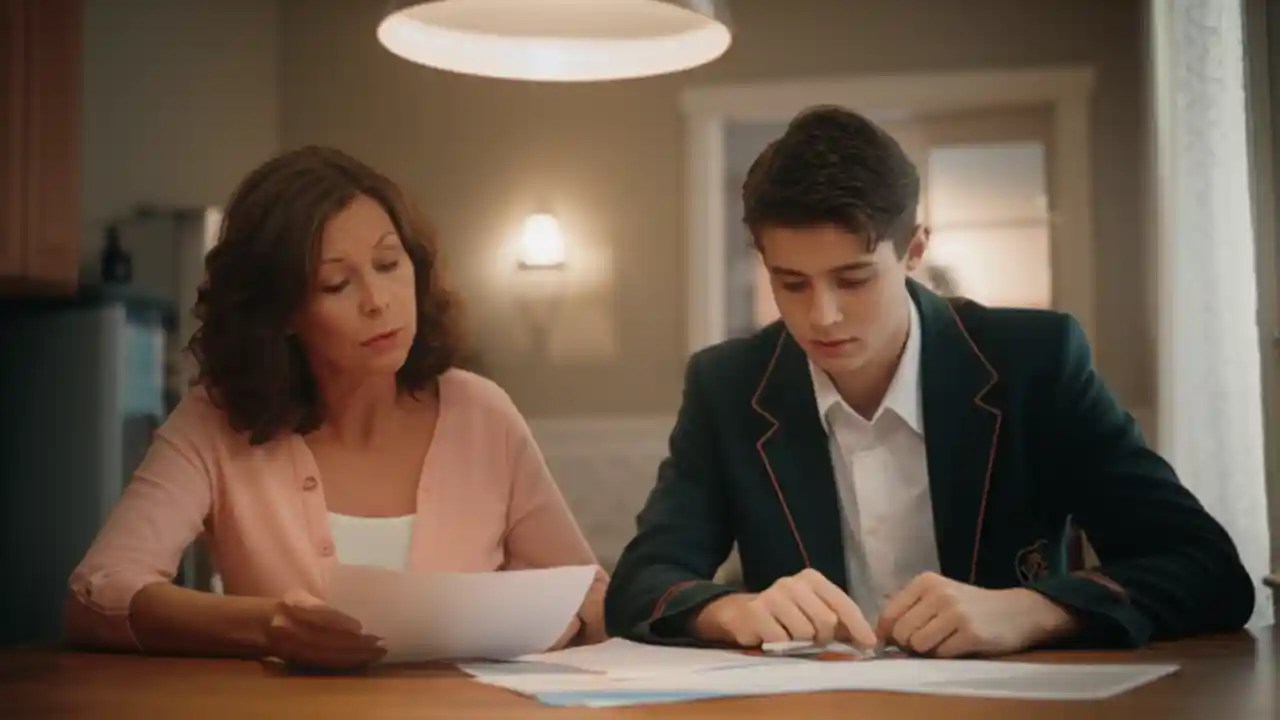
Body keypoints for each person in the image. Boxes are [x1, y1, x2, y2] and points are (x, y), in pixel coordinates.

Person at [605, 106, 1254, 657]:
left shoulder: (1036, 360)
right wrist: (730, 612)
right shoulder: (727, 385)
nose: (820, 316)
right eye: (791, 283)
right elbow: (640, 582)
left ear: (914, 251)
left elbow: (1208, 571)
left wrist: (1032, 610)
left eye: (853, 279)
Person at [65, 146, 607, 669]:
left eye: (389, 263)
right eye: (337, 283)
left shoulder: (480, 411)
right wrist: (266, 626)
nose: (377, 299)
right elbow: (100, 592)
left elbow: (590, 595)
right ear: (281, 312)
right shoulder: (216, 421)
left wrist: (553, 627)